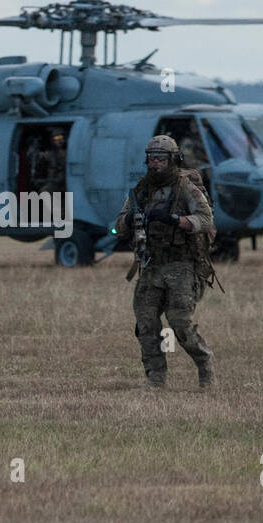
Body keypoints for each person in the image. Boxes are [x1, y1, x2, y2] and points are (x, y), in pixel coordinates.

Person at [114, 136, 217, 389]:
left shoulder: (186, 189)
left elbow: (206, 220)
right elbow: (118, 225)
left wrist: (175, 219)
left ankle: (205, 366)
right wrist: (129, 222)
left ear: (172, 159)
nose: (156, 163)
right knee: (146, 324)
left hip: (181, 266)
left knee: (180, 323)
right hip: (151, 265)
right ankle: (156, 378)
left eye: (161, 158)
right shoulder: (140, 191)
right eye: (151, 158)